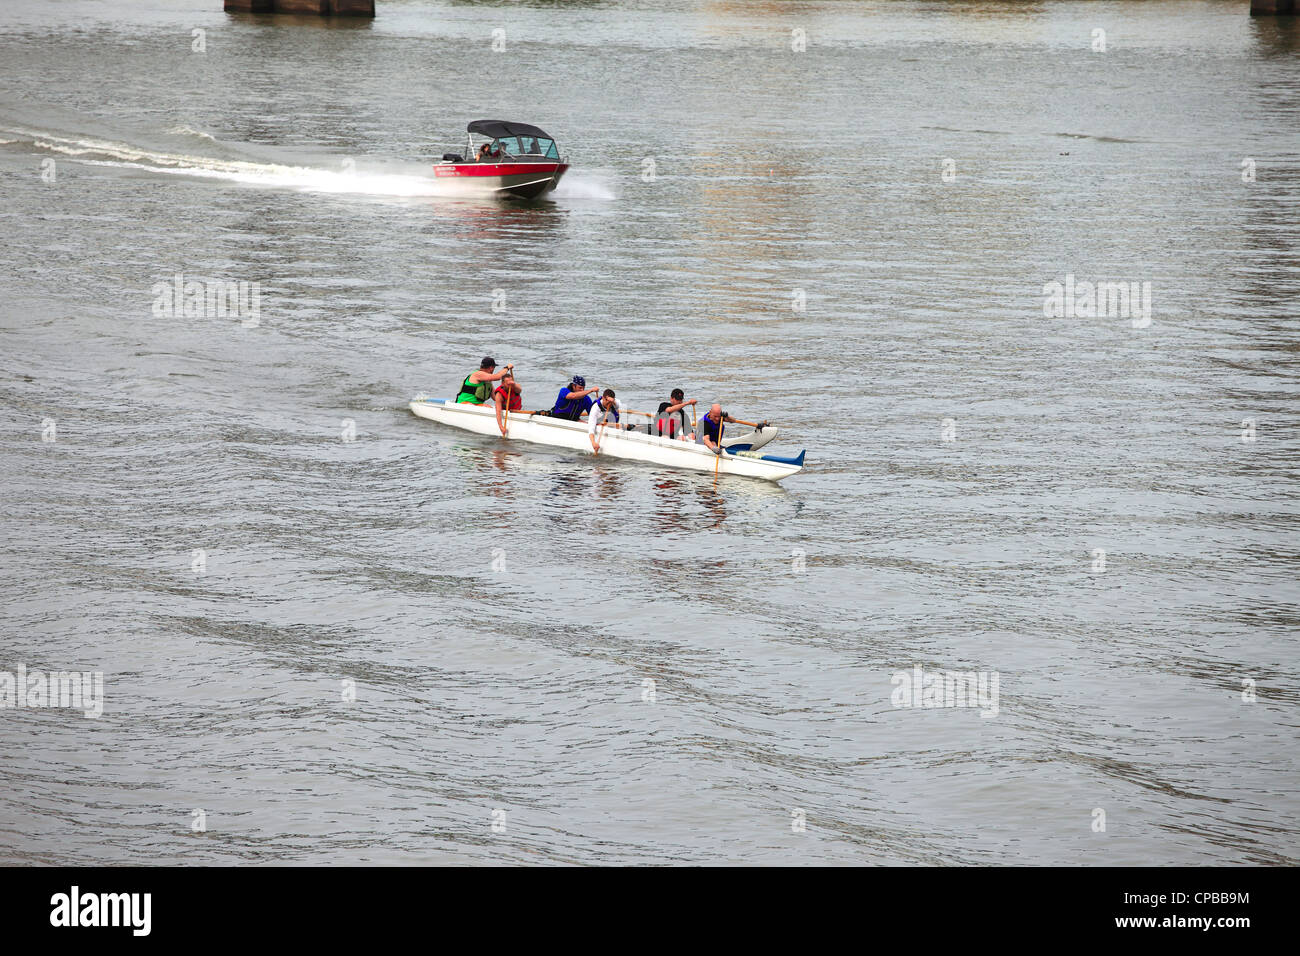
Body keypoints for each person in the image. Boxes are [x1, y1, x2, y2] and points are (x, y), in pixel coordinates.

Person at [588, 389, 627, 454]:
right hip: (599, 426)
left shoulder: (615, 402)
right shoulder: (595, 408)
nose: (609, 403)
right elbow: (591, 428)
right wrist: (593, 443)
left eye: (610, 401)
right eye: (607, 400)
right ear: (603, 398)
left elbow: (622, 407)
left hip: (612, 426)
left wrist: (612, 401)